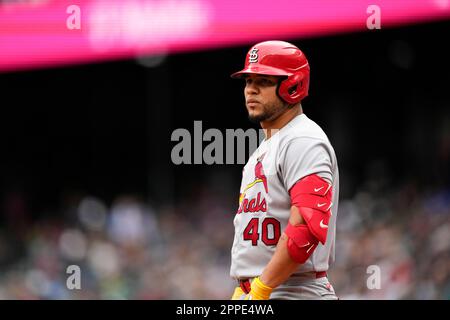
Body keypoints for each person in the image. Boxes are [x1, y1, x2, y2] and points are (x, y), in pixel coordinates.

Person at [229, 40, 339, 300]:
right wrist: (244, 289)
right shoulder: (264, 149)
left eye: (264, 81)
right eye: (247, 81)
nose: (250, 90)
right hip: (267, 290)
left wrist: (260, 289)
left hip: (294, 291)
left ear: (293, 85)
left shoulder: (303, 139)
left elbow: (305, 230)